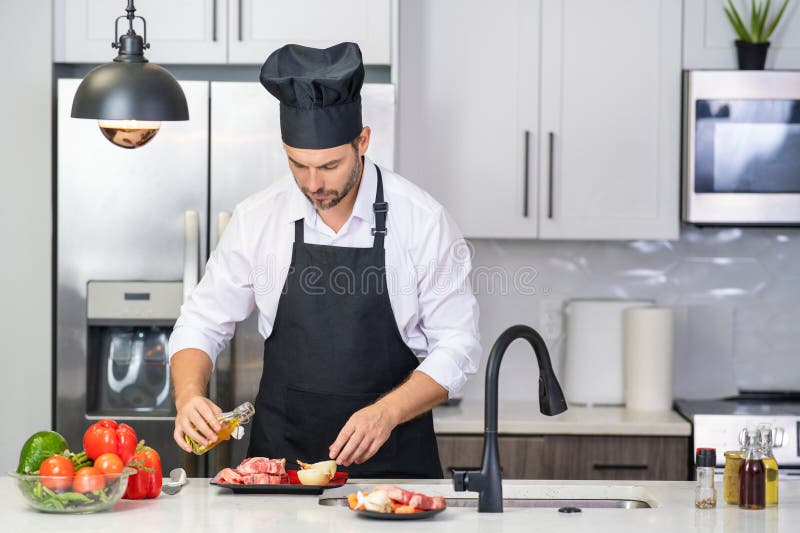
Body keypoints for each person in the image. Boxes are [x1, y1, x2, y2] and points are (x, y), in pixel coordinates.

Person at [169, 42, 480, 478]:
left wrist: (385, 413)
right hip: (278, 472)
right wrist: (188, 396)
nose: (314, 183)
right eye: (299, 165)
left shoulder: (422, 222)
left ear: (363, 141)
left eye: (330, 166)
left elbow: (459, 347)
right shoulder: (259, 217)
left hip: (391, 471)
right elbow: (201, 321)